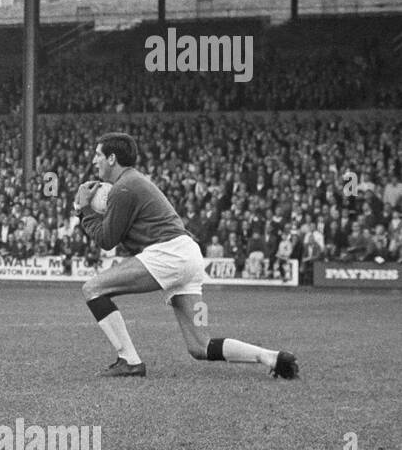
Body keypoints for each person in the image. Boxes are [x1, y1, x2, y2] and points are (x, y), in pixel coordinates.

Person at [75, 132, 298, 379]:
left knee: (93, 289)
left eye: (97, 155)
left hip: (169, 253)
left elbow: (107, 241)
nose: (94, 161)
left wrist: (84, 209)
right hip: (188, 255)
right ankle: (270, 356)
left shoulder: (124, 188)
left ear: (112, 158)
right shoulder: (132, 182)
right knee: (200, 345)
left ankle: (130, 361)